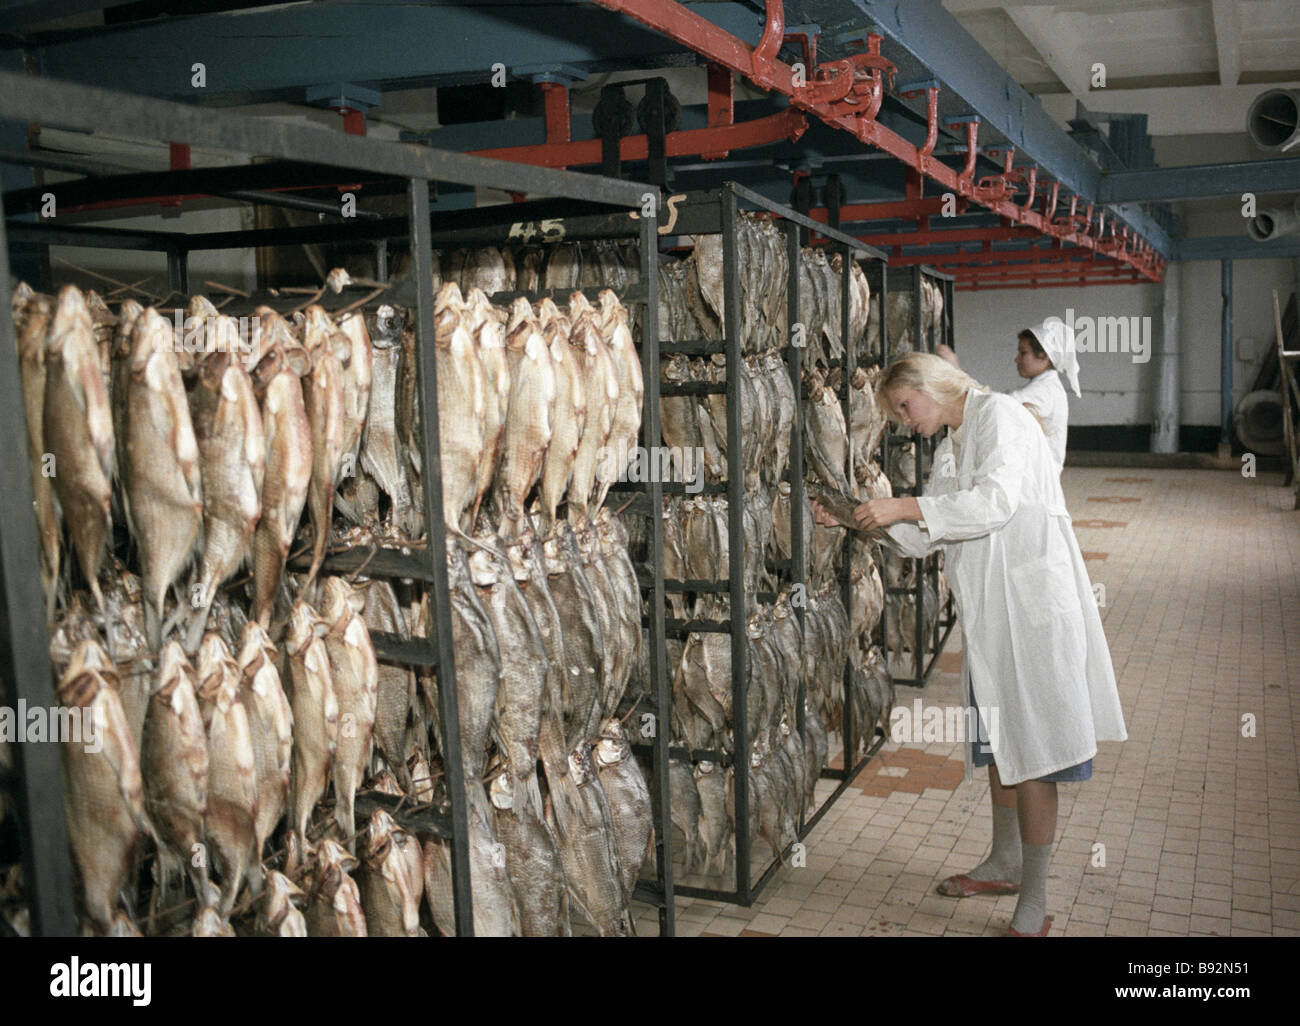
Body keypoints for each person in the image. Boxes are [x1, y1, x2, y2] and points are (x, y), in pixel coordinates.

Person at [811, 352, 1125, 936]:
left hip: (1032, 615)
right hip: (990, 618)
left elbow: (994, 503)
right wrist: (859, 523)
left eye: (906, 406)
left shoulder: (1002, 415)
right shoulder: (955, 443)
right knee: (1000, 743)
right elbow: (930, 533)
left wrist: (902, 504)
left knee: (1037, 755)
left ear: (932, 386)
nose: (906, 422)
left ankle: (1034, 896)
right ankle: (1004, 861)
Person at [936, 317, 1080, 473]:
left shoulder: (1045, 391)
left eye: (1023, 353)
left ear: (1044, 357)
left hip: (1036, 476)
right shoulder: (1046, 386)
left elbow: (994, 405)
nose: (1016, 359)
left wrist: (956, 371)